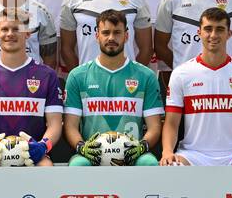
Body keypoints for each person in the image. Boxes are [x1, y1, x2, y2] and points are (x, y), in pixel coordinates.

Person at [161, 8, 232, 166]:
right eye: (208, 29)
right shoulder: (181, 73)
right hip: (193, 154)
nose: (213, 35)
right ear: (199, 32)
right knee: (171, 165)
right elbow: (171, 123)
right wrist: (167, 151)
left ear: (229, 34)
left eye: (220, 29)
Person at [63, 10, 162, 166]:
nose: (111, 38)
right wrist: (82, 148)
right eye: (106, 32)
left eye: (117, 33)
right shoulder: (78, 76)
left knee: (149, 162)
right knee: (78, 164)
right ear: (97, 36)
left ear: (126, 36)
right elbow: (70, 125)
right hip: (92, 155)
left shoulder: (146, 76)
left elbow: (154, 126)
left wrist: (141, 147)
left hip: (133, 155)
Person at [0, 13, 63, 167]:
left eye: (16, 29)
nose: (10, 34)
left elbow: (55, 124)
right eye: (4, 29)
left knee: (46, 167)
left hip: (32, 154)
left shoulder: (47, 75)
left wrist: (43, 146)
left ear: (28, 33)